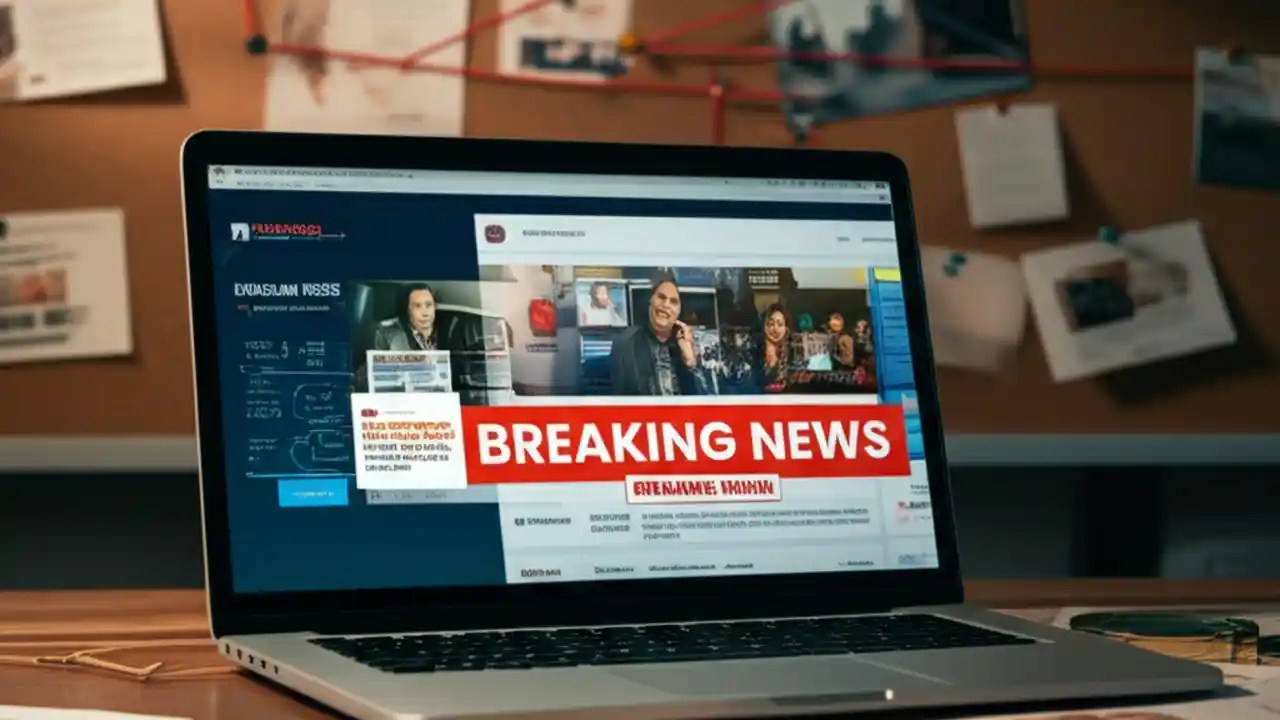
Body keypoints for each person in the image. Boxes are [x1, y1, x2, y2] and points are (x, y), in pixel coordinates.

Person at [609, 276, 710, 396]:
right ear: (650, 301)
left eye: (673, 301)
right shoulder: (625, 343)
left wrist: (690, 362)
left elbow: (705, 403)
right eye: (661, 297)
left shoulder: (690, 345)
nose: (666, 305)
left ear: (678, 312)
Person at [373, 283, 439, 350]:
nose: (425, 313)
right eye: (417, 306)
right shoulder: (389, 334)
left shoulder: (445, 332)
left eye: (429, 305)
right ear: (407, 309)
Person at [760, 303, 791, 392]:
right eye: (771, 324)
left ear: (786, 328)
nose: (775, 329)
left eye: (780, 324)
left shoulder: (791, 353)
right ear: (764, 326)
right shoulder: (756, 352)